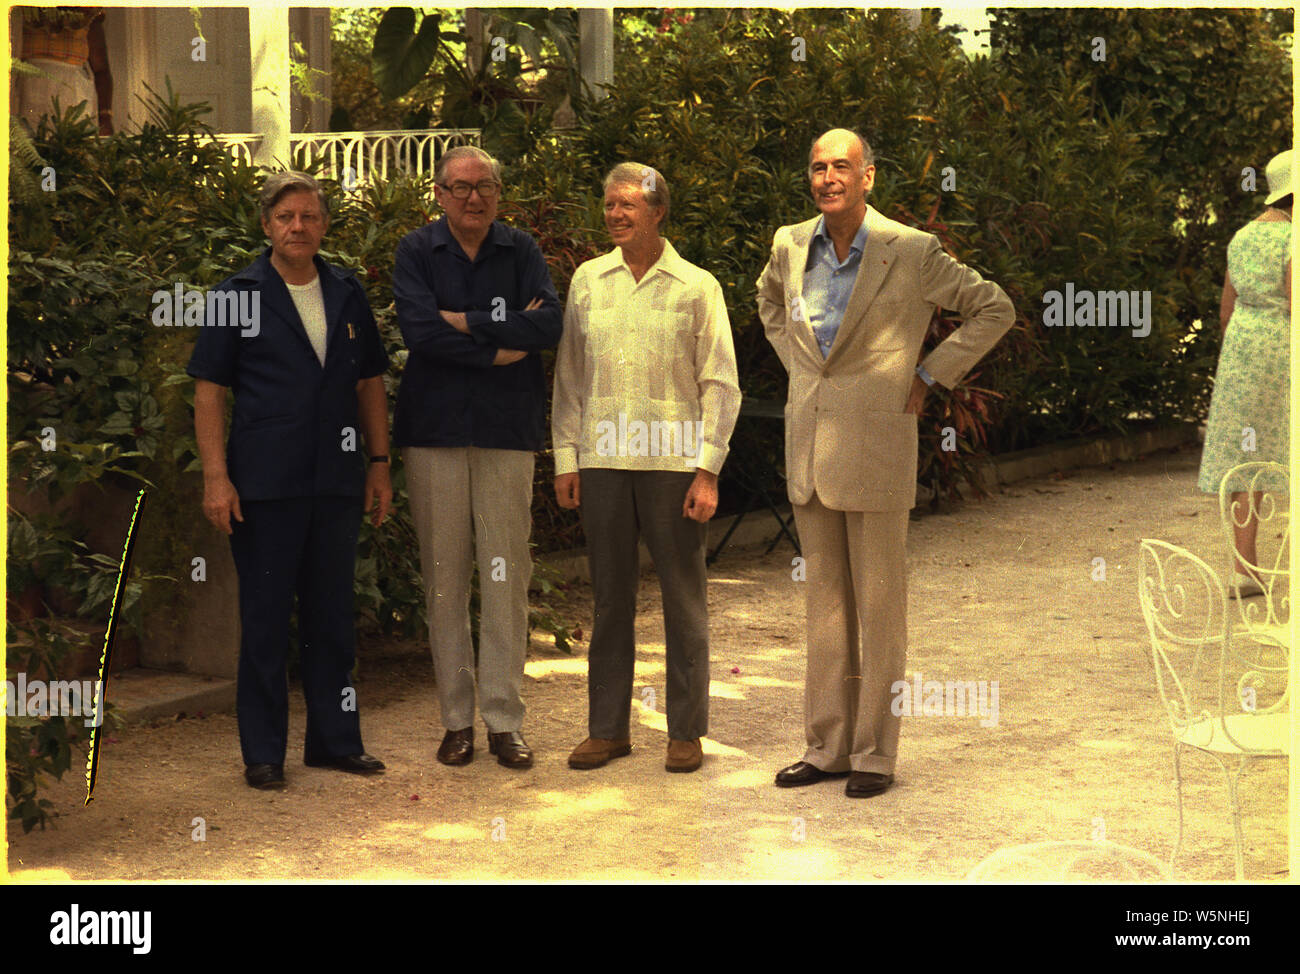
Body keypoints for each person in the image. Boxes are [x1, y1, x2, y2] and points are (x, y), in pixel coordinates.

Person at [757, 128, 1014, 798]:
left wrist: (930, 375)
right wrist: (802, 371)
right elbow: (769, 307)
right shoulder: (789, 243)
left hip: (878, 446)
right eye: (817, 167)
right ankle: (825, 747)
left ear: (867, 176)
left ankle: (874, 755)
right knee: (825, 610)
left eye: (841, 166)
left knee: (879, 608)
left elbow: (995, 308)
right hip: (811, 448)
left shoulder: (913, 250)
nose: (828, 178)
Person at [188, 171, 392, 790]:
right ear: (266, 226)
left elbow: (370, 384)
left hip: (335, 480)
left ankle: (335, 742)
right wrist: (217, 478)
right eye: (285, 217)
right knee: (268, 621)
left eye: (308, 216)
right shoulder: (236, 294)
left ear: (324, 225)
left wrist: (379, 463)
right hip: (263, 486)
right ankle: (264, 753)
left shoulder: (348, 292)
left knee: (332, 618)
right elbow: (208, 392)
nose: (297, 227)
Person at [552, 162, 741, 774]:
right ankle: (607, 730)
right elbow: (570, 377)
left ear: (658, 212)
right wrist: (566, 458)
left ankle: (685, 731)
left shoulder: (695, 286)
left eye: (628, 206)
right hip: (604, 459)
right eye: (609, 204)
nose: (614, 215)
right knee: (609, 600)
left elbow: (721, 383)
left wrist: (707, 470)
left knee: (684, 601)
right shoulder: (588, 281)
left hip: (674, 465)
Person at [392, 146, 562, 770]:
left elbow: (549, 326)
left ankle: (503, 720)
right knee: (444, 578)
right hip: (434, 432)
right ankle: (456, 721)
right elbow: (418, 332)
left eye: (484, 186)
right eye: (460, 188)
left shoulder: (520, 250)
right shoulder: (416, 251)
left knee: (504, 576)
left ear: (497, 192)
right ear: (439, 194)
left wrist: (465, 320)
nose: (473, 198)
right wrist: (497, 343)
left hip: (504, 432)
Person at [1196, 148, 1292, 596]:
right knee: (1287, 450)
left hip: (1241, 351)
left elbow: (1225, 308)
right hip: (1281, 348)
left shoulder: (1241, 236)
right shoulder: (1293, 240)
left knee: (1246, 460)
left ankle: (1244, 570)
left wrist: (1239, 350)